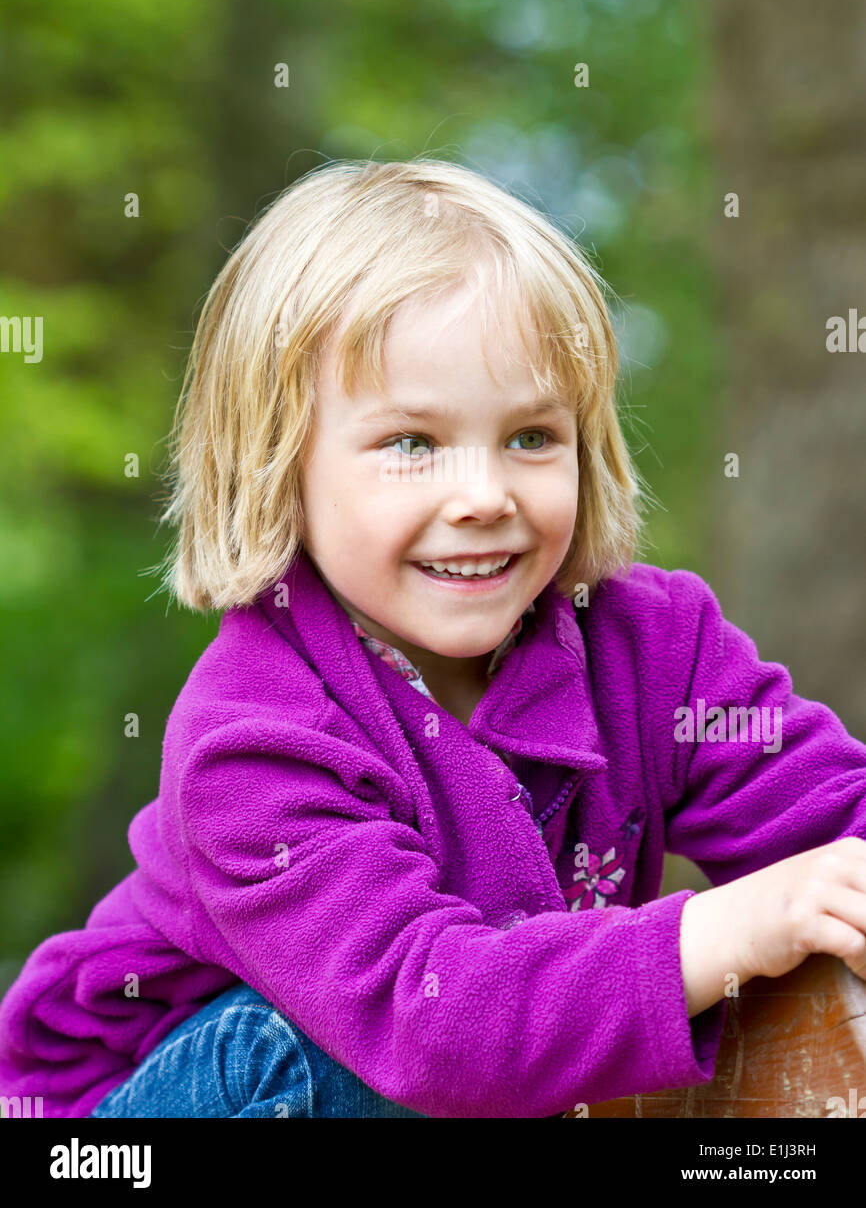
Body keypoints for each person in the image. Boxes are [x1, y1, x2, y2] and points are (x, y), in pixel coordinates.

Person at [2, 157, 865, 1120]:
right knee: (328, 1057)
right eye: (412, 444)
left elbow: (834, 812)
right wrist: (714, 933)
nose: (485, 496)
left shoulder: (651, 646)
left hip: (453, 1073)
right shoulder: (250, 738)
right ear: (278, 470)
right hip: (184, 1096)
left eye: (532, 435)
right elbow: (430, 1025)